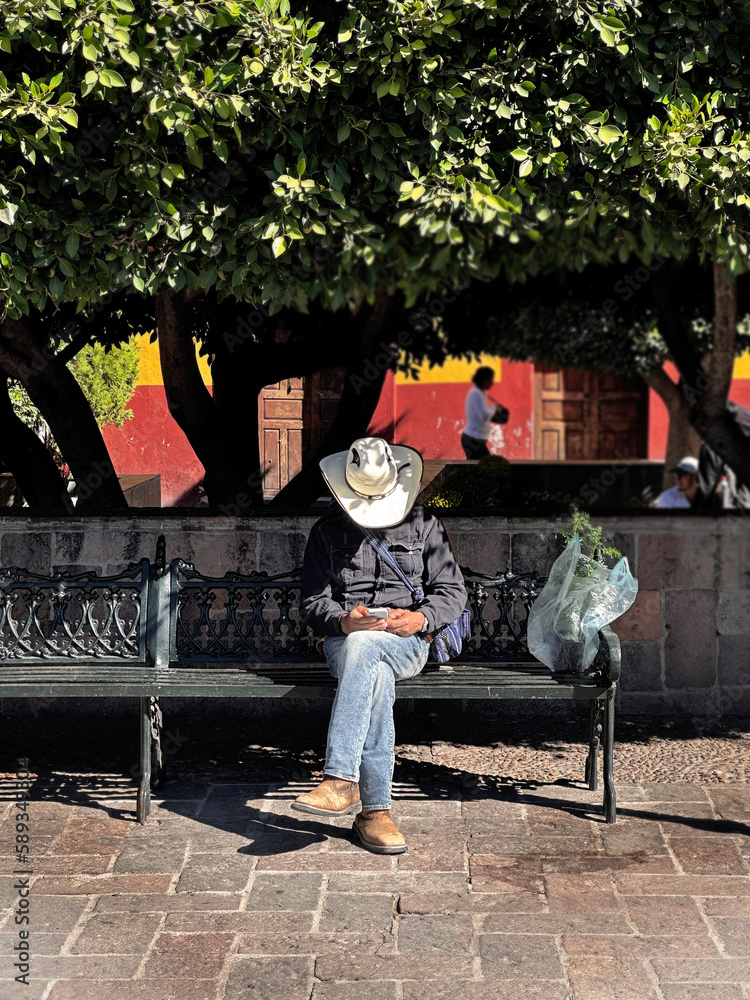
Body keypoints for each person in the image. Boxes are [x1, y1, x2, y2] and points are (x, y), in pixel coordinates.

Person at [293, 437, 467, 855]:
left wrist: (420, 618)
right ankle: (374, 813)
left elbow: (452, 591)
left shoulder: (425, 525)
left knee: (368, 654)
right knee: (369, 662)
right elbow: (312, 601)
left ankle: (341, 780)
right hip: (346, 644)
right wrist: (341, 620)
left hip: (407, 642)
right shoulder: (326, 532)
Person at [461, 366, 501, 459]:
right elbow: (484, 415)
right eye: (490, 379)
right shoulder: (476, 394)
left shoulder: (479, 393)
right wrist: (494, 407)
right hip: (472, 439)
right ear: (484, 380)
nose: (492, 382)